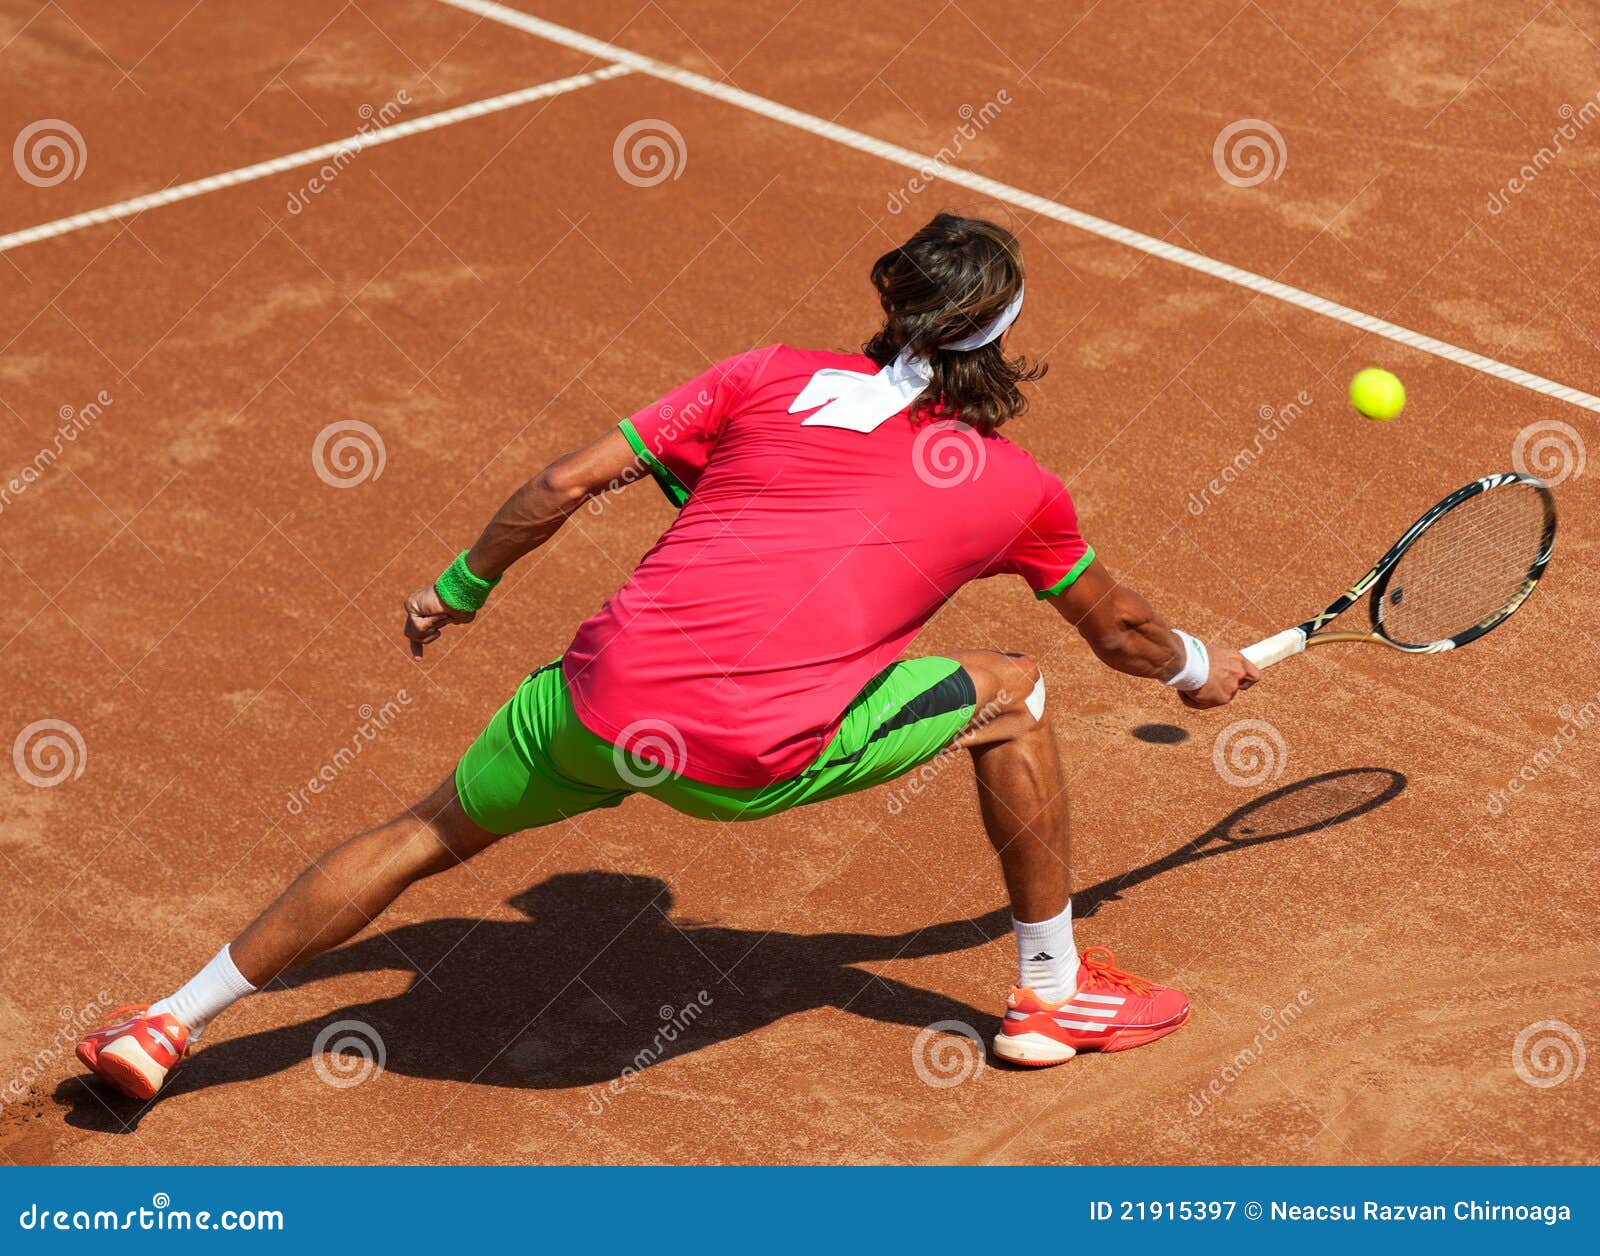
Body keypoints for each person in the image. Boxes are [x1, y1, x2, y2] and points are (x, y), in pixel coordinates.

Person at [76, 212, 1258, 1100]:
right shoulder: (1013, 489)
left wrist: (459, 589)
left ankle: (168, 1023)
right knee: (1018, 691)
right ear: (999, 341)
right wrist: (1199, 664)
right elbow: (1120, 635)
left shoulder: (767, 376)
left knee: (422, 832)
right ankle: (1048, 996)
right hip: (752, 755)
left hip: (596, 709)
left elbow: (561, 484)